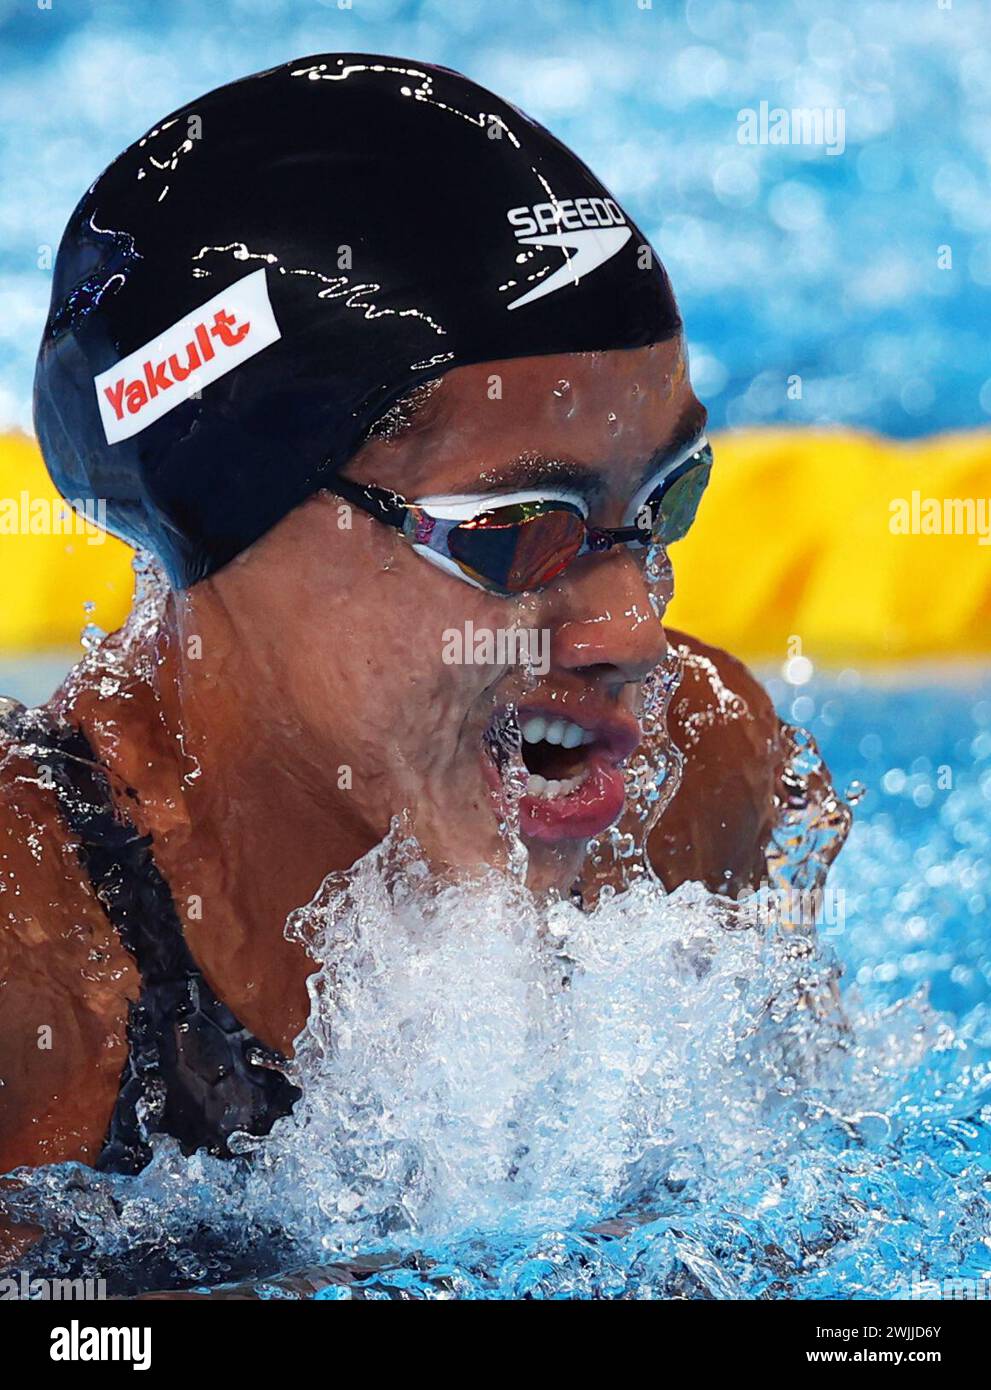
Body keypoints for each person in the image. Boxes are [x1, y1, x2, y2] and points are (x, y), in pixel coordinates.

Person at [0, 55, 786, 1185]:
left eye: (665, 502)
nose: (632, 631)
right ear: (238, 521)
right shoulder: (33, 952)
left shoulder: (693, 783)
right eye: (516, 528)